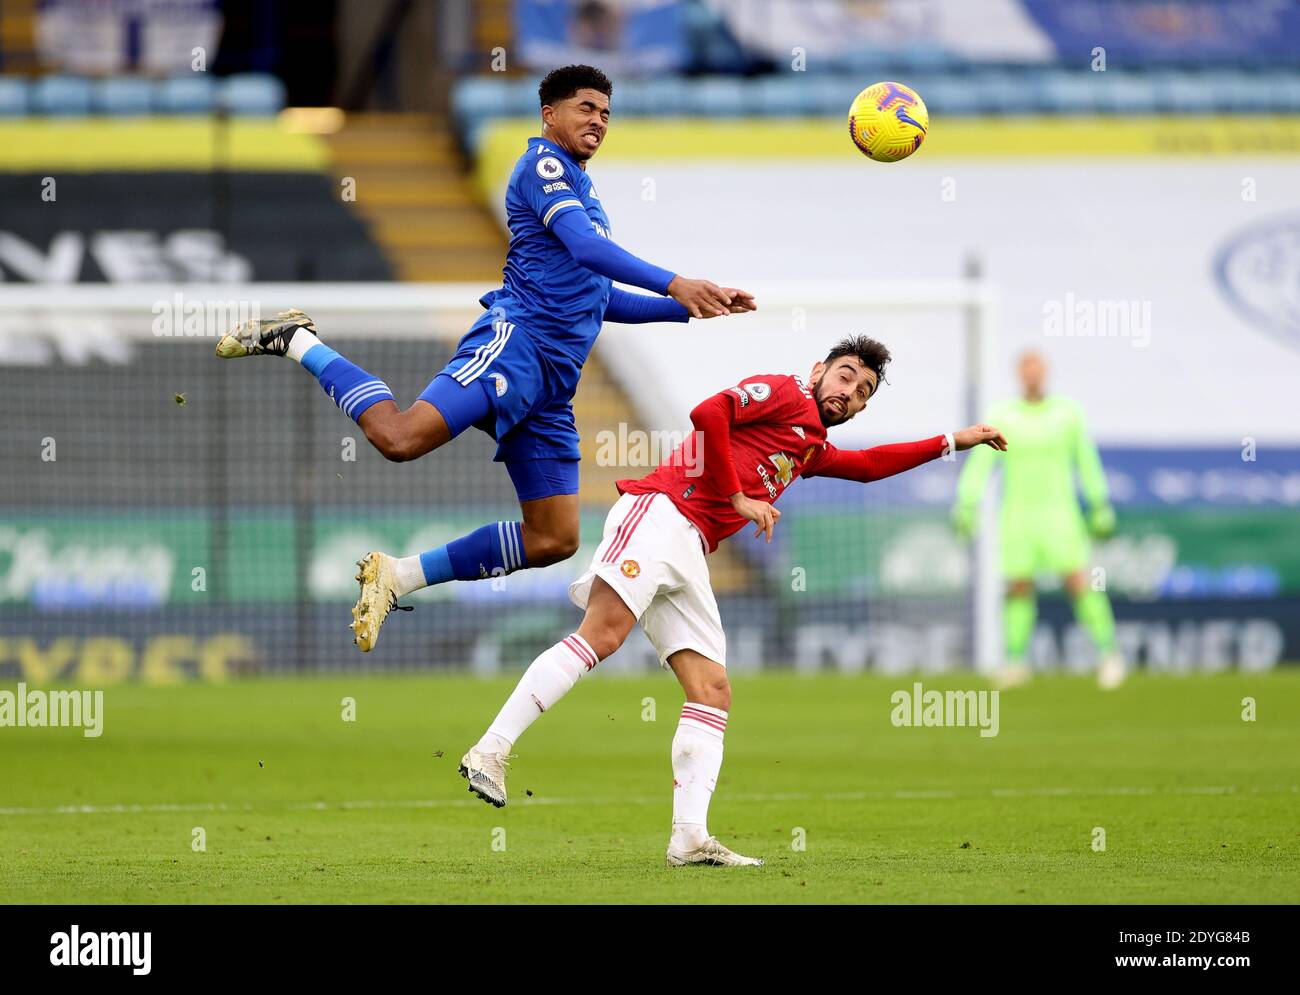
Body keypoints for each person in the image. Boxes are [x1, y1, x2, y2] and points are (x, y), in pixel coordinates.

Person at [213, 64, 754, 651]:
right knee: (399, 439)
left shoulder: (582, 188)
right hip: (515, 346)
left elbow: (596, 296)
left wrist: (692, 308)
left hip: (551, 385)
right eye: (586, 108)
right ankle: (297, 340)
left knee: (554, 538)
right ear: (550, 114)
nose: (598, 120)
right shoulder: (542, 166)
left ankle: (399, 576)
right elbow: (584, 248)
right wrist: (676, 283)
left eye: (606, 113)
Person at [459, 336, 1007, 866]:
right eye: (845, 376)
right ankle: (490, 750)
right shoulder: (786, 392)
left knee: (712, 690)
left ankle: (690, 838)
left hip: (691, 546)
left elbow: (867, 467)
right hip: (661, 513)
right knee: (602, 635)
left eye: (864, 391)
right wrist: (738, 495)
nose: (850, 392)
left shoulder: (810, 445)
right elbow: (709, 411)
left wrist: (954, 440)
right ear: (819, 370)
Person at [953, 350, 1123, 690]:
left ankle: (1109, 656)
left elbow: (1085, 459)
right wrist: (967, 502)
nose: (1032, 376)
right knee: (1017, 587)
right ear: (1019, 375)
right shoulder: (1004, 416)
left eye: (1037, 370)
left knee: (1078, 581)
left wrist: (1099, 502)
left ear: (1045, 373)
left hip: (1060, 513)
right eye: (1026, 370)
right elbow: (981, 464)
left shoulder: (1067, 413)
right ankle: (1016, 663)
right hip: (1017, 516)